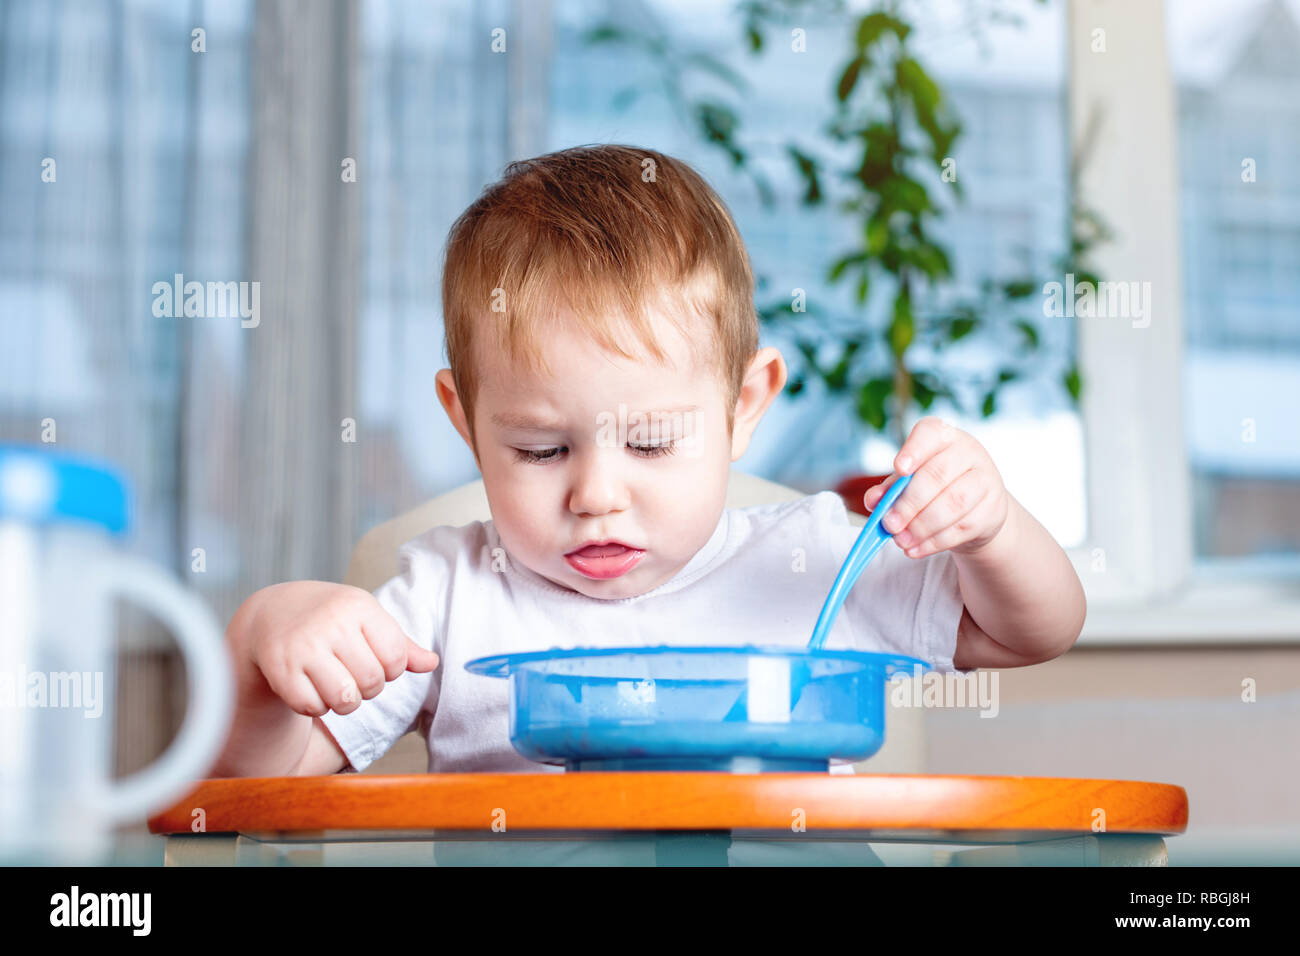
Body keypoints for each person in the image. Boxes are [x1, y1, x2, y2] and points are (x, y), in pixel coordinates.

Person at [211, 144, 1086, 778]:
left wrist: (993, 529)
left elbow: (1032, 632)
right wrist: (260, 646)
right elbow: (249, 795)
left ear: (744, 408)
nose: (596, 495)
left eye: (651, 442)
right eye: (540, 449)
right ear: (466, 422)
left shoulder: (812, 561)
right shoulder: (448, 597)